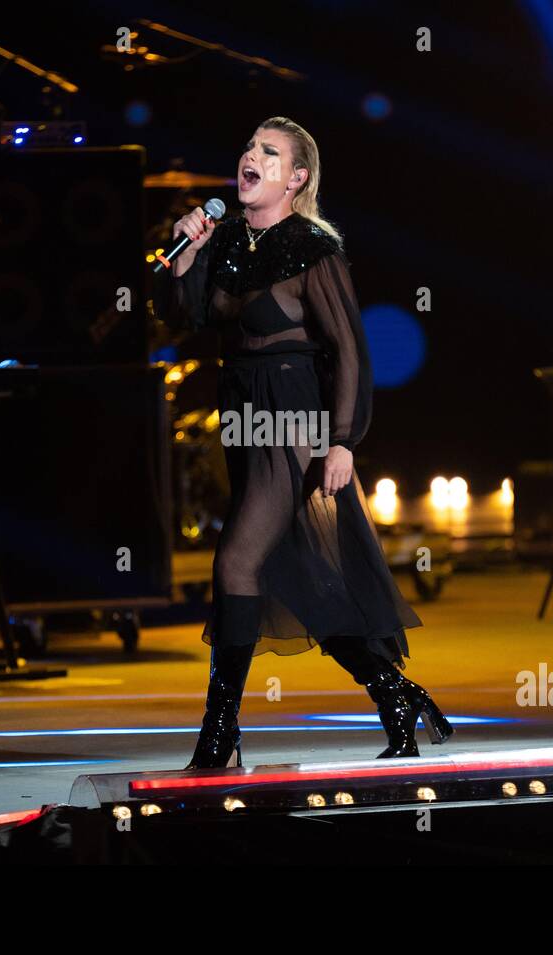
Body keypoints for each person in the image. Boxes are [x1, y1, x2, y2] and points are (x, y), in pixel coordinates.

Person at [155, 116, 450, 768]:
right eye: (248, 145)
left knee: (236, 561)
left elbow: (348, 346)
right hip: (241, 414)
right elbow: (182, 315)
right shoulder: (222, 239)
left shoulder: (312, 246)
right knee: (297, 576)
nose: (250, 156)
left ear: (296, 177)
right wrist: (188, 252)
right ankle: (394, 692)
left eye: (269, 150)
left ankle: (219, 734)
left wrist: (343, 440)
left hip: (294, 417)